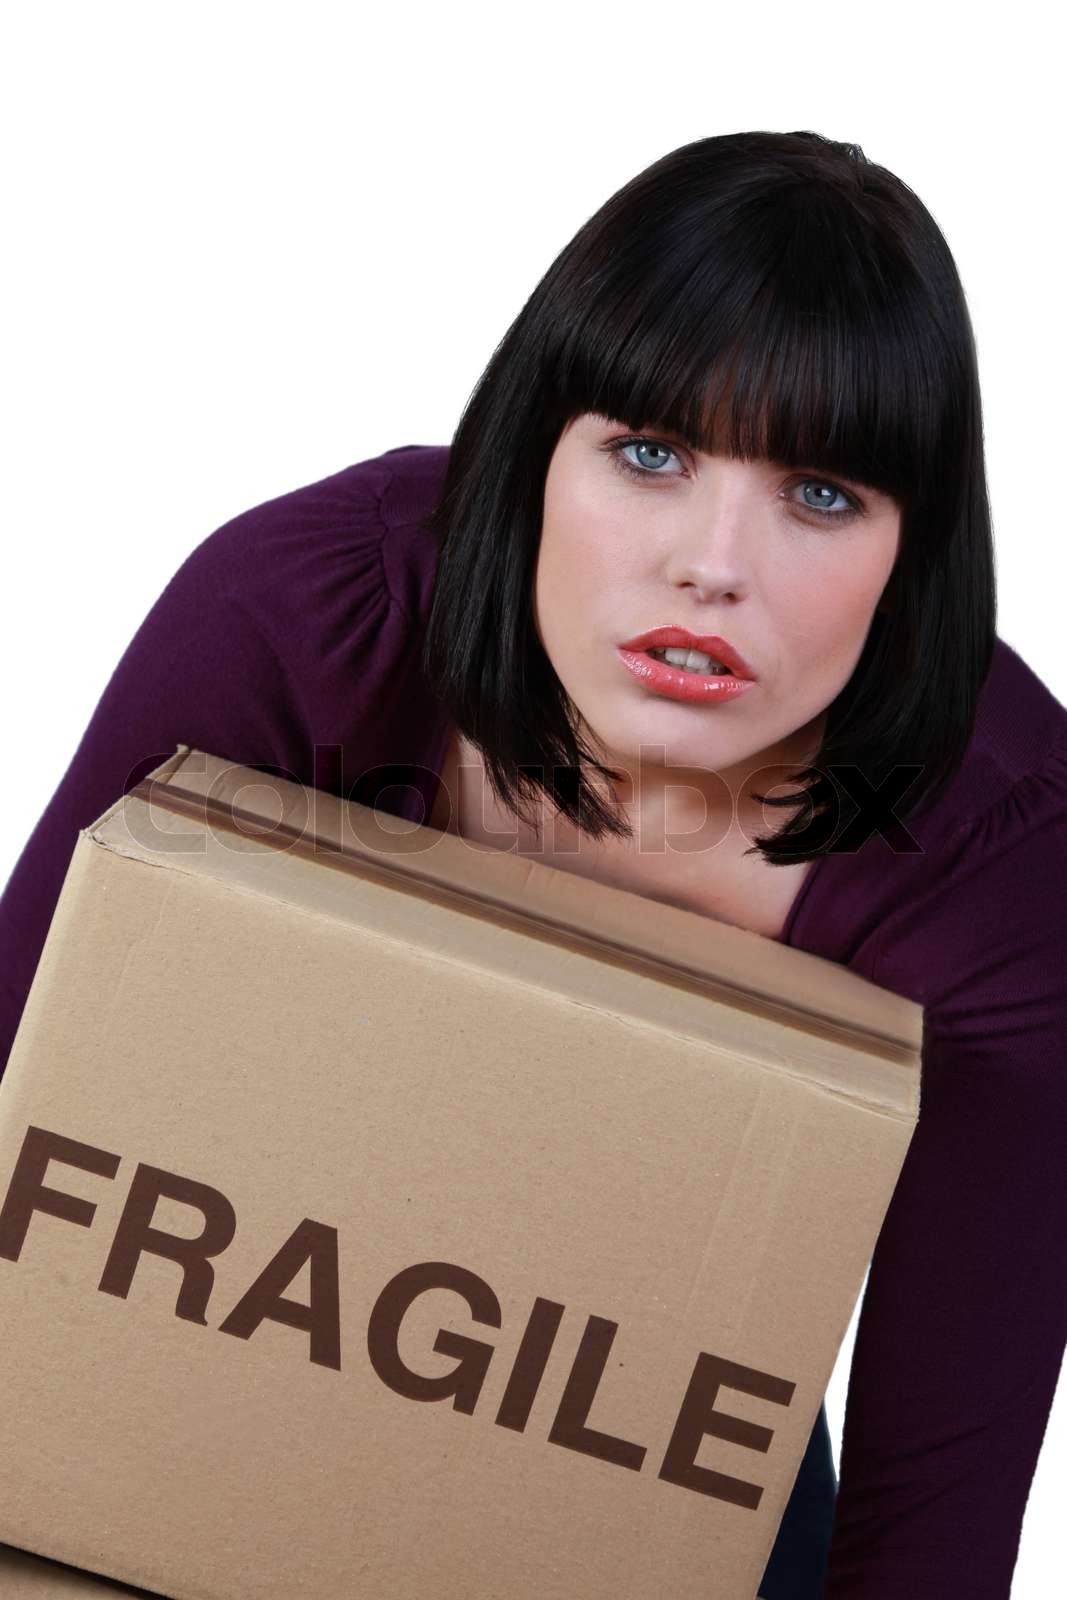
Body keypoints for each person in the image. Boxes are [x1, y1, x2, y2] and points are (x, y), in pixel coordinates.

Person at [1, 129, 1064, 1598]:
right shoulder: (309, 620)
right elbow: (23, 1100)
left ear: (915, 553)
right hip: (214, 1283)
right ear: (531, 453)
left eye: (821, 494)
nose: (713, 562)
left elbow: (935, 1498)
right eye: (649, 453)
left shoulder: (1001, 858)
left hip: (632, 1396)